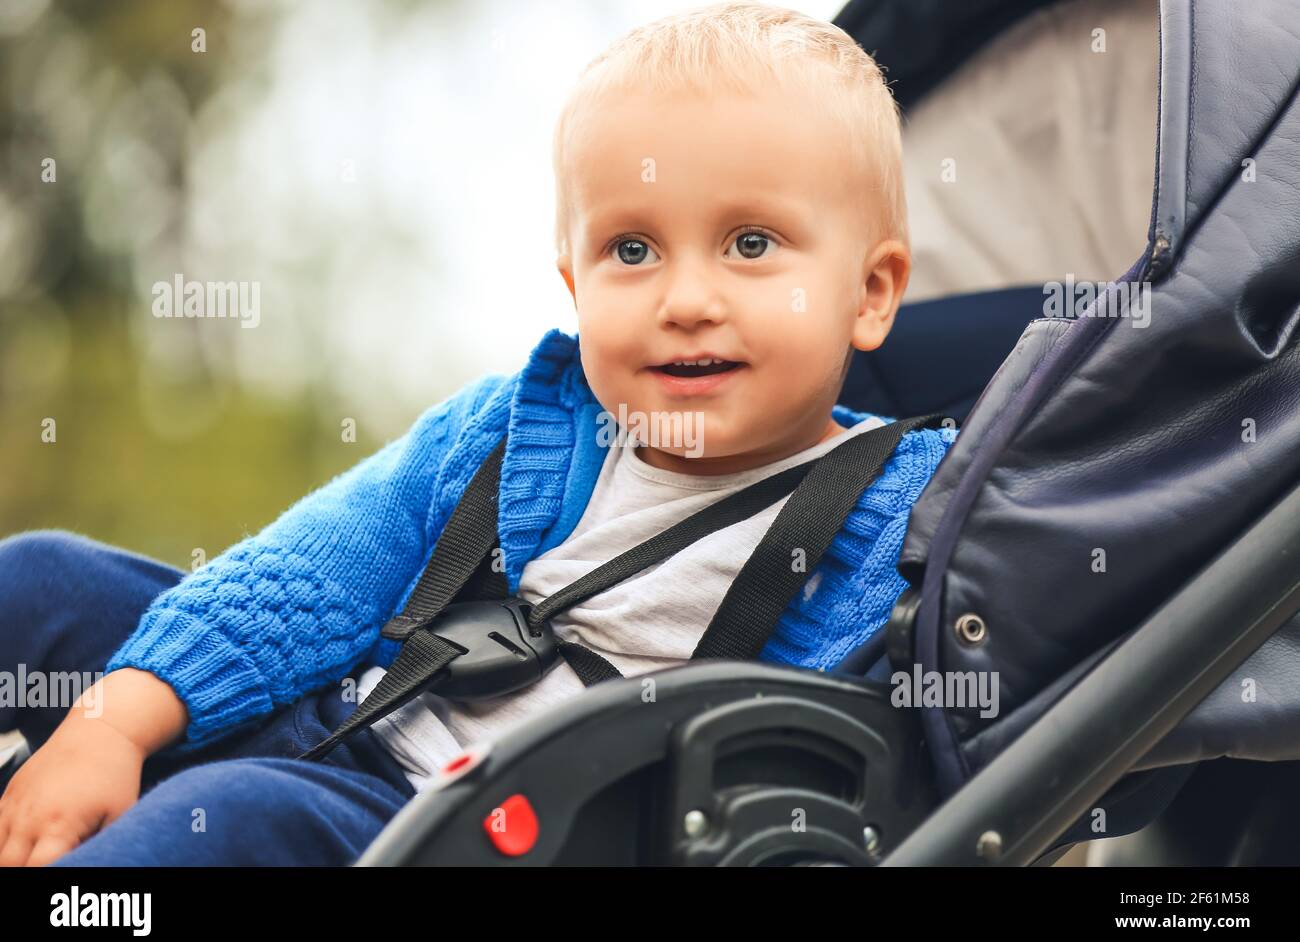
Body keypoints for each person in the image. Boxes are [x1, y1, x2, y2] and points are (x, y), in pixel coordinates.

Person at [0, 1, 956, 867]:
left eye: (751, 244)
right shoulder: (515, 425)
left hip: (451, 834)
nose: (687, 300)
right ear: (576, 286)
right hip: (348, 714)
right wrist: (110, 725)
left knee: (230, 814)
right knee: (35, 582)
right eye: (632, 250)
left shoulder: (910, 517)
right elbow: (307, 577)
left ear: (870, 293)